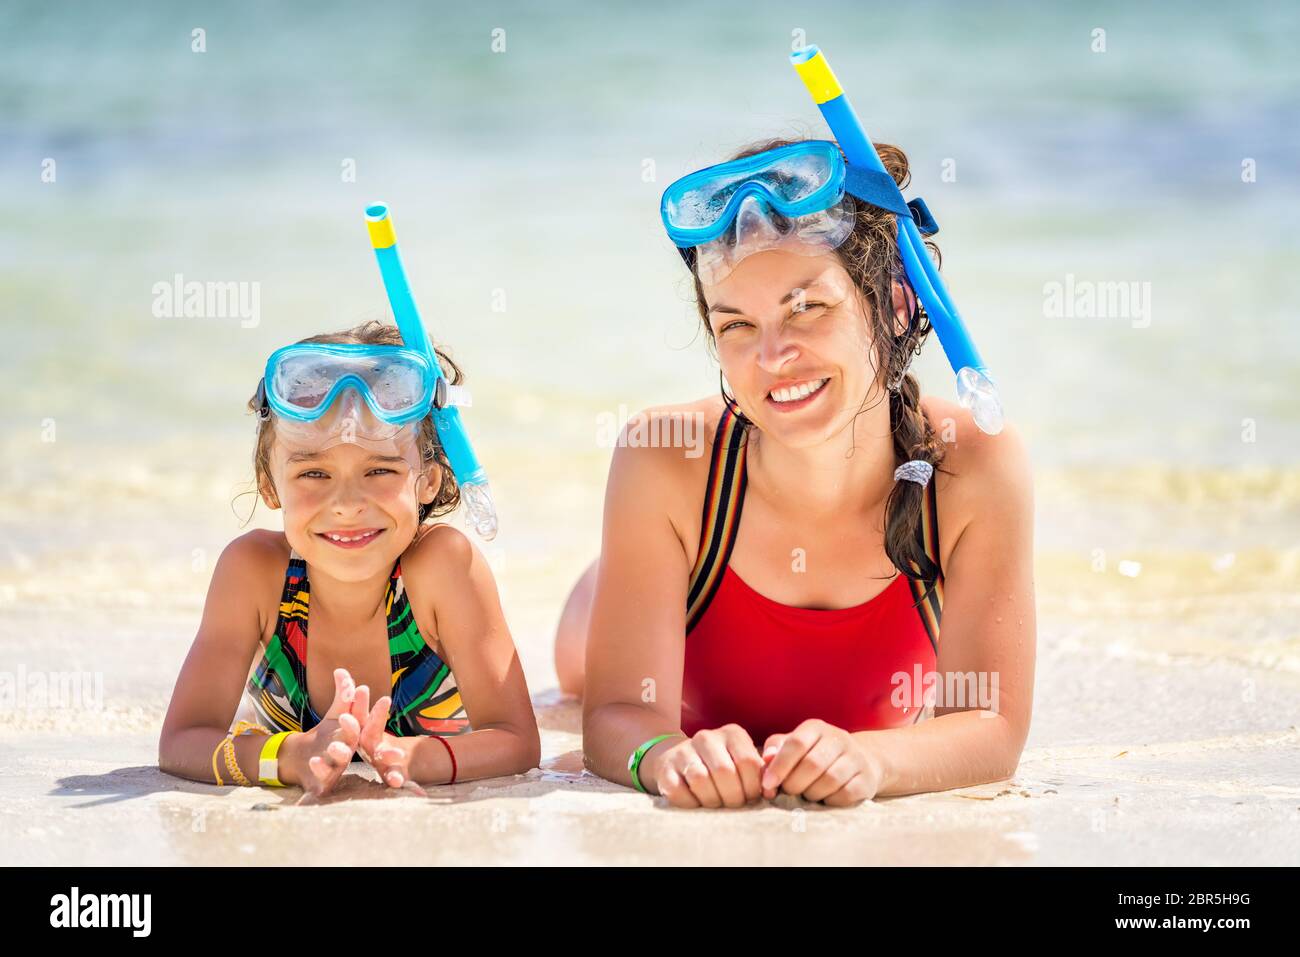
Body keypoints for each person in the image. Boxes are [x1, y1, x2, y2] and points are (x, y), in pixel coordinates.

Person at [558, 136, 1036, 808]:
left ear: (897, 300)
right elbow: (611, 716)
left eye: (806, 307)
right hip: (638, 592)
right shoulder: (663, 460)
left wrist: (867, 756)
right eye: (737, 326)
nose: (774, 355)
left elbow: (991, 729)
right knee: (573, 671)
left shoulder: (972, 464)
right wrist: (666, 756)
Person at [159, 320, 539, 797]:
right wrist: (290, 757)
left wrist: (415, 757)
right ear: (270, 483)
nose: (346, 503)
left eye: (379, 469)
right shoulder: (253, 573)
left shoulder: (445, 568)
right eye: (314, 473)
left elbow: (517, 741)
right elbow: (182, 742)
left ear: (430, 480)